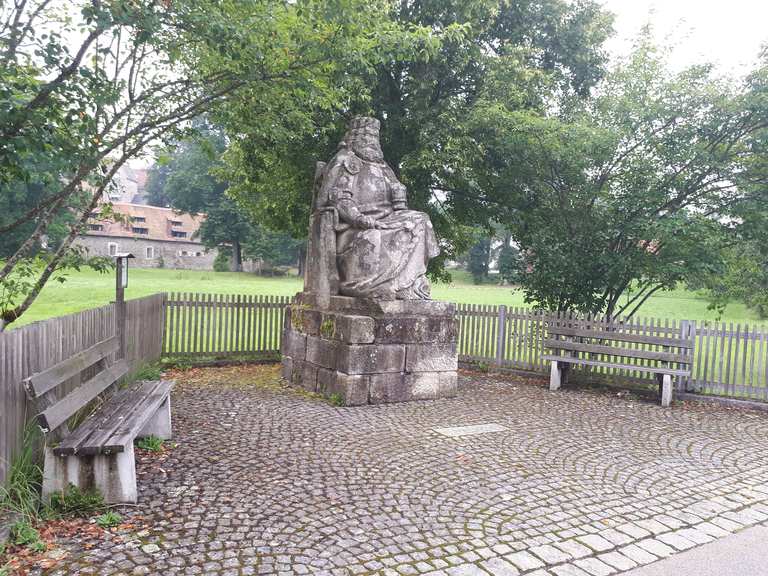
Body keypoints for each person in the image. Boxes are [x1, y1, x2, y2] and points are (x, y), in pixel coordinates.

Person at [315, 116, 440, 300]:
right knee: (373, 236)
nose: (371, 142)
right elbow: (339, 199)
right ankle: (365, 286)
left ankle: (405, 283)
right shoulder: (345, 160)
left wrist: (399, 198)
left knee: (421, 220)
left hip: (386, 221)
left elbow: (398, 206)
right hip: (353, 229)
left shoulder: (383, 167)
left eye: (374, 138)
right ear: (354, 137)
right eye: (366, 137)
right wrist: (359, 218)